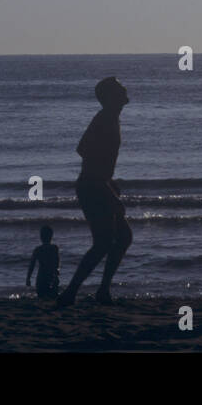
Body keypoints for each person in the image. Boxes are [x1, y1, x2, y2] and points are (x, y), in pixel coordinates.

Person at [58, 78, 133, 307]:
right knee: (104, 242)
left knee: (121, 238)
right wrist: (104, 186)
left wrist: (108, 180)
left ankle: (100, 291)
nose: (125, 89)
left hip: (98, 184)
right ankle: (71, 293)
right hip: (92, 187)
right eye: (120, 88)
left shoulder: (110, 118)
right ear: (111, 96)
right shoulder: (104, 119)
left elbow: (83, 149)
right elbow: (85, 152)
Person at [26, 225, 60, 298]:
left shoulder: (38, 250)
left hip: (41, 279)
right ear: (51, 236)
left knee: (42, 296)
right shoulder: (54, 248)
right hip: (51, 278)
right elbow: (57, 262)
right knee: (53, 296)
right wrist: (57, 272)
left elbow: (32, 265)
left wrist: (28, 278)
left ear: (41, 237)